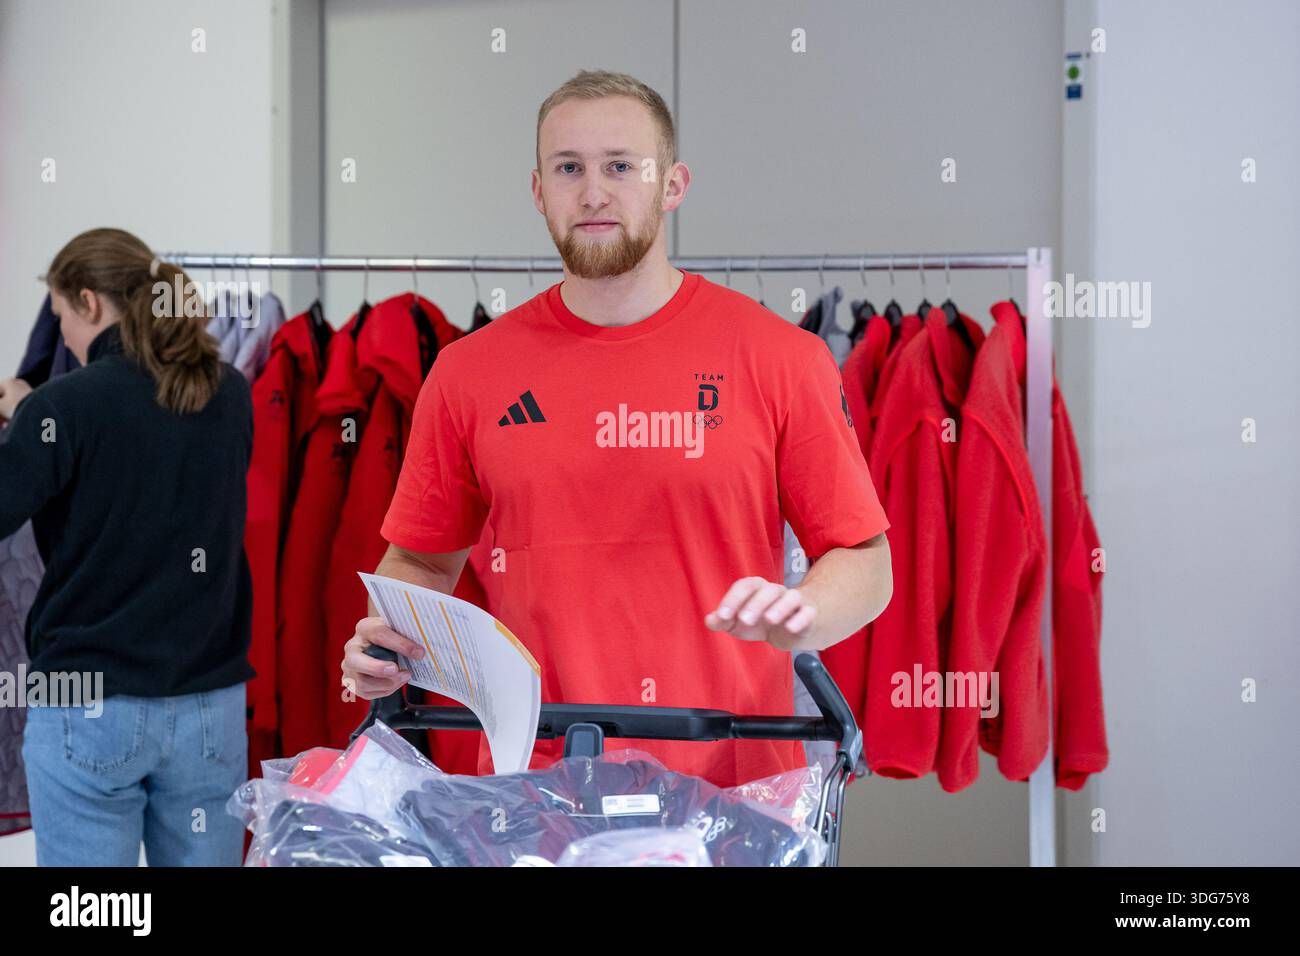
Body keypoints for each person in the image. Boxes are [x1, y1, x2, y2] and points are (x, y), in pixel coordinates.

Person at [341, 70, 894, 788]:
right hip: (534, 786)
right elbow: (419, 563)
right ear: (539, 191)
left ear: (673, 185)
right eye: (568, 168)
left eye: (621, 167)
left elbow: (864, 557)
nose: (594, 192)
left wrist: (807, 610)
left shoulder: (781, 357)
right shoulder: (466, 373)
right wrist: (387, 641)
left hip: (734, 787)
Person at [0, 227, 254, 866]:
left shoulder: (63, 406)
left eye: (60, 318)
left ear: (88, 302)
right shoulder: (229, 393)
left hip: (87, 697)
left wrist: (27, 421)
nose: (61, 339)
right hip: (210, 704)